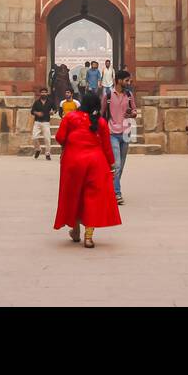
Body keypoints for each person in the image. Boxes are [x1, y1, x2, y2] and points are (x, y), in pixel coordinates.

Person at [53, 91, 121, 247]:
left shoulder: (70, 117)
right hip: (96, 163)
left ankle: (75, 230)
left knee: (73, 195)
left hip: (73, 161)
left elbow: (60, 137)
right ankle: (88, 237)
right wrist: (111, 165)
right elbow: (107, 147)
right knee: (92, 198)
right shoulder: (101, 122)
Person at [102, 69, 136, 204]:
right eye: (126, 80)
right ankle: (117, 193)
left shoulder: (129, 95)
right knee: (116, 164)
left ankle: (112, 188)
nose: (128, 82)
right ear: (119, 80)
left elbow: (134, 110)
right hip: (112, 133)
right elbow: (102, 112)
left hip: (126, 132)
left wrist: (132, 114)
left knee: (121, 166)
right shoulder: (108, 95)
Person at [30, 86, 54, 160]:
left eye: (45, 92)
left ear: (47, 93)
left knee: (47, 139)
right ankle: (38, 149)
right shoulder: (37, 102)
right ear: (40, 93)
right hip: (37, 122)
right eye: (42, 92)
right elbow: (32, 111)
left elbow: (55, 109)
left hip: (46, 122)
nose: (43, 93)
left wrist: (53, 112)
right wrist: (37, 113)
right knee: (34, 137)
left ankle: (47, 154)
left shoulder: (50, 102)